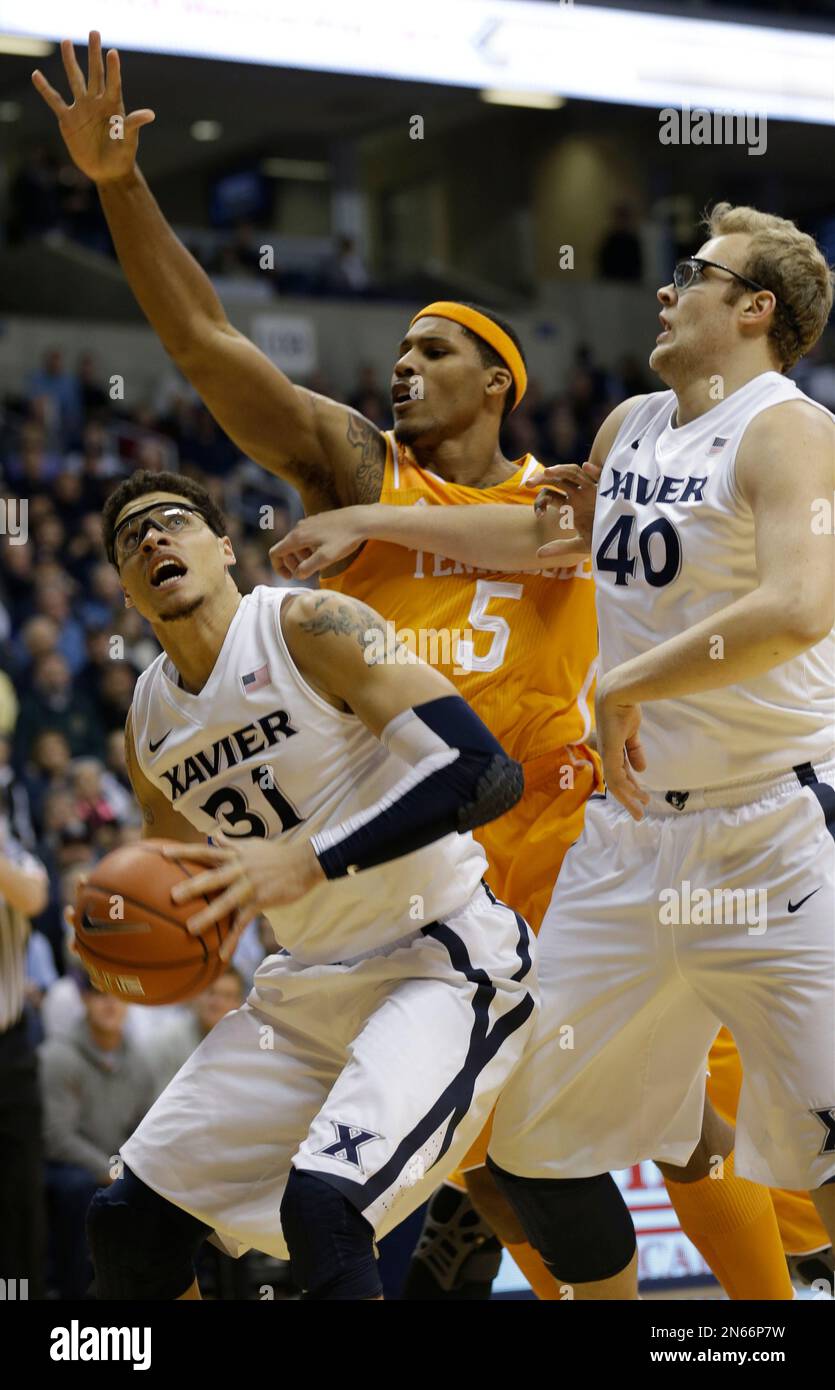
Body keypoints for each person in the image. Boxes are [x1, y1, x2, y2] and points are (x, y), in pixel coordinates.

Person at [34, 31, 591, 1299]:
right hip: (345, 924)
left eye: (433, 348)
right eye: (391, 347)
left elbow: (566, 545)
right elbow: (206, 348)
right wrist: (121, 184)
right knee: (369, 1210)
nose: (399, 364)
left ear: (501, 378)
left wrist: (379, 527)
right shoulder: (350, 463)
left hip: (526, 865)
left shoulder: (559, 504)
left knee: (575, 1178)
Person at [278, 204, 835, 1299]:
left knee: (823, 1141)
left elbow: (800, 604)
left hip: (770, 832)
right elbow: (547, 535)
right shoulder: (632, 424)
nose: (665, 290)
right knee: (531, 1143)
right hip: (627, 847)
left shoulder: (787, 428)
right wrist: (372, 525)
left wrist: (628, 677)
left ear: (755, 307)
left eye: (693, 272)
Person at [66, 471, 536, 1302]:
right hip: (304, 989)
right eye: (129, 540)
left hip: (440, 961)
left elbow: (485, 772)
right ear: (128, 592)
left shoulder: (310, 624)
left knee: (323, 1211)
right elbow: (176, 888)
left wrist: (306, 860)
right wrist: (118, 940)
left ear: (223, 549)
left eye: (173, 521)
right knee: (127, 1224)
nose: (151, 539)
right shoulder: (146, 723)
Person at [39, 977, 155, 1298]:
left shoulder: (139, 1062)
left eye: (119, 996)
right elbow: (55, 1138)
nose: (110, 1004)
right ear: (85, 1000)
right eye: (101, 995)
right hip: (63, 1167)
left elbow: (146, 1130)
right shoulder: (58, 1057)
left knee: (164, 1190)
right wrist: (111, 1171)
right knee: (78, 1187)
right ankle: (71, 1291)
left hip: (115, 1165)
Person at [0, 804, 50, 1301]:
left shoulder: (11, 847)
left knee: (17, 1201)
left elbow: (34, 897)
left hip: (8, 1053)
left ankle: (16, 1300)